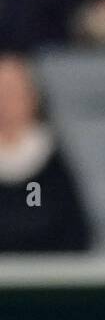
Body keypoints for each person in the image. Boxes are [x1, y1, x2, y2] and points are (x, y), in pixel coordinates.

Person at [0, 54, 91, 253]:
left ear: (33, 97)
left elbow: (76, 231)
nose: (6, 104)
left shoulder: (51, 158)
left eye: (14, 93)